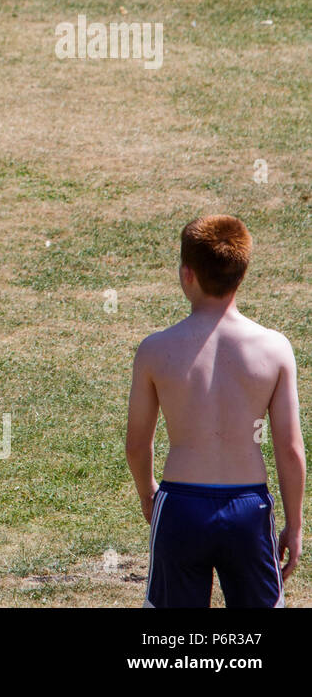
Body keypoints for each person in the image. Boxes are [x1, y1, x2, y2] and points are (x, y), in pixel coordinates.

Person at [127, 215, 304, 607]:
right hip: (249, 508)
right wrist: (294, 524)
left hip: (180, 507)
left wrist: (147, 495)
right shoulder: (274, 349)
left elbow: (137, 443)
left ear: (186, 274)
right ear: (241, 274)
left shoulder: (155, 350)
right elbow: (290, 449)